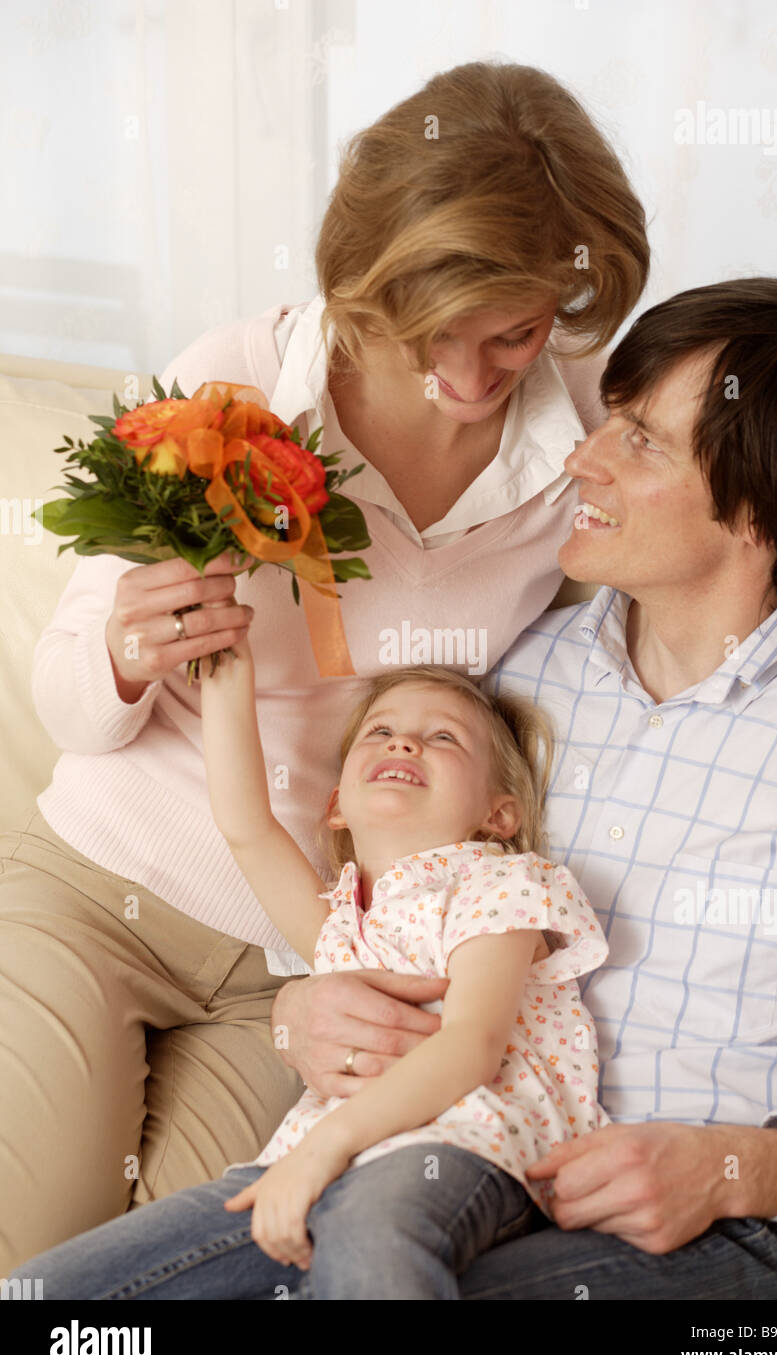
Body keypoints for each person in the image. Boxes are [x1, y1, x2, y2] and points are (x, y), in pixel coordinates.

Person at [0, 59, 648, 1276]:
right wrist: (128, 648)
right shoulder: (238, 384)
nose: (466, 383)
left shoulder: (579, 441)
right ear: (367, 282)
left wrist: (311, 990)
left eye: (510, 336)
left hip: (312, 951)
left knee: (178, 1276)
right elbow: (70, 708)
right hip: (99, 889)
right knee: (28, 1244)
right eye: (432, 335)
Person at [273, 276, 777, 1299]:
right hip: (478, 1174)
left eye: (637, 440)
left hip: (753, 1241)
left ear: (761, 510)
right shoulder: (515, 674)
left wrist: (743, 1165)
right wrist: (300, 1010)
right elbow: (380, 909)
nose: (578, 456)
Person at [9, 658, 611, 1298]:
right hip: (318, 1162)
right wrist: (227, 662)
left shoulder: (498, 883)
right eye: (380, 732)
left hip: (466, 1144)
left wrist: (325, 1147)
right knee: (50, 1288)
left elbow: (472, 1047)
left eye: (443, 737)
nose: (403, 742)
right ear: (336, 807)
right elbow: (246, 826)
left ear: (500, 816)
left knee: (373, 1236)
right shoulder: (340, 925)